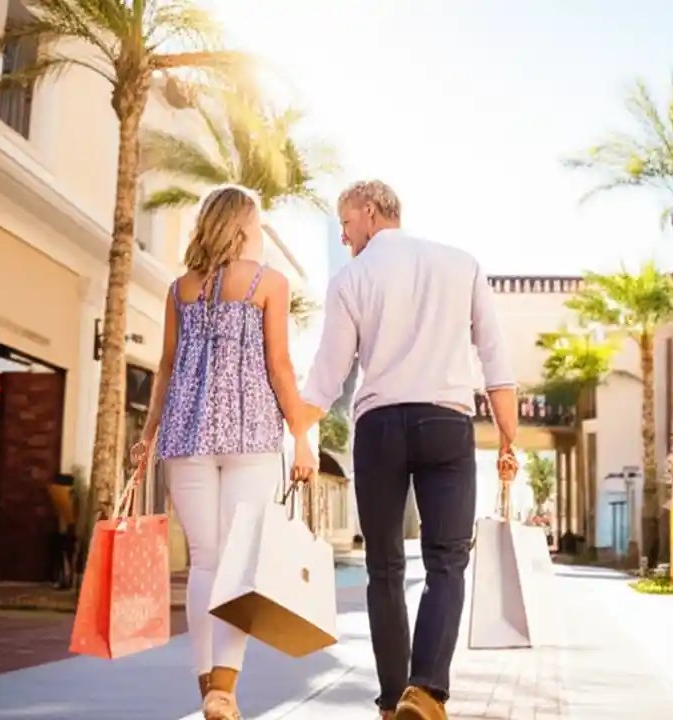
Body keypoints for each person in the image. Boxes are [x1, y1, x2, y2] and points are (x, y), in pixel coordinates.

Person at [298, 180, 520, 720]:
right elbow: (495, 356)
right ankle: (424, 691)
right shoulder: (461, 264)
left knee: (384, 567)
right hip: (446, 424)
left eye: (347, 224)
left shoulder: (352, 277)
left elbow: (327, 376)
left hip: (379, 428)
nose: (346, 236)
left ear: (370, 213)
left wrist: (298, 434)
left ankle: (391, 698)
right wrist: (509, 439)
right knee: (447, 560)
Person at [130, 185, 315, 720]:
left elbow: (164, 369)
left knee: (206, 563)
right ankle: (225, 693)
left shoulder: (179, 289)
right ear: (239, 227)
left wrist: (147, 435)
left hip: (185, 437)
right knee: (236, 566)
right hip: (251, 437)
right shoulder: (267, 283)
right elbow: (280, 368)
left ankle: (207, 686)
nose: (258, 232)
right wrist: (301, 436)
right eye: (254, 223)